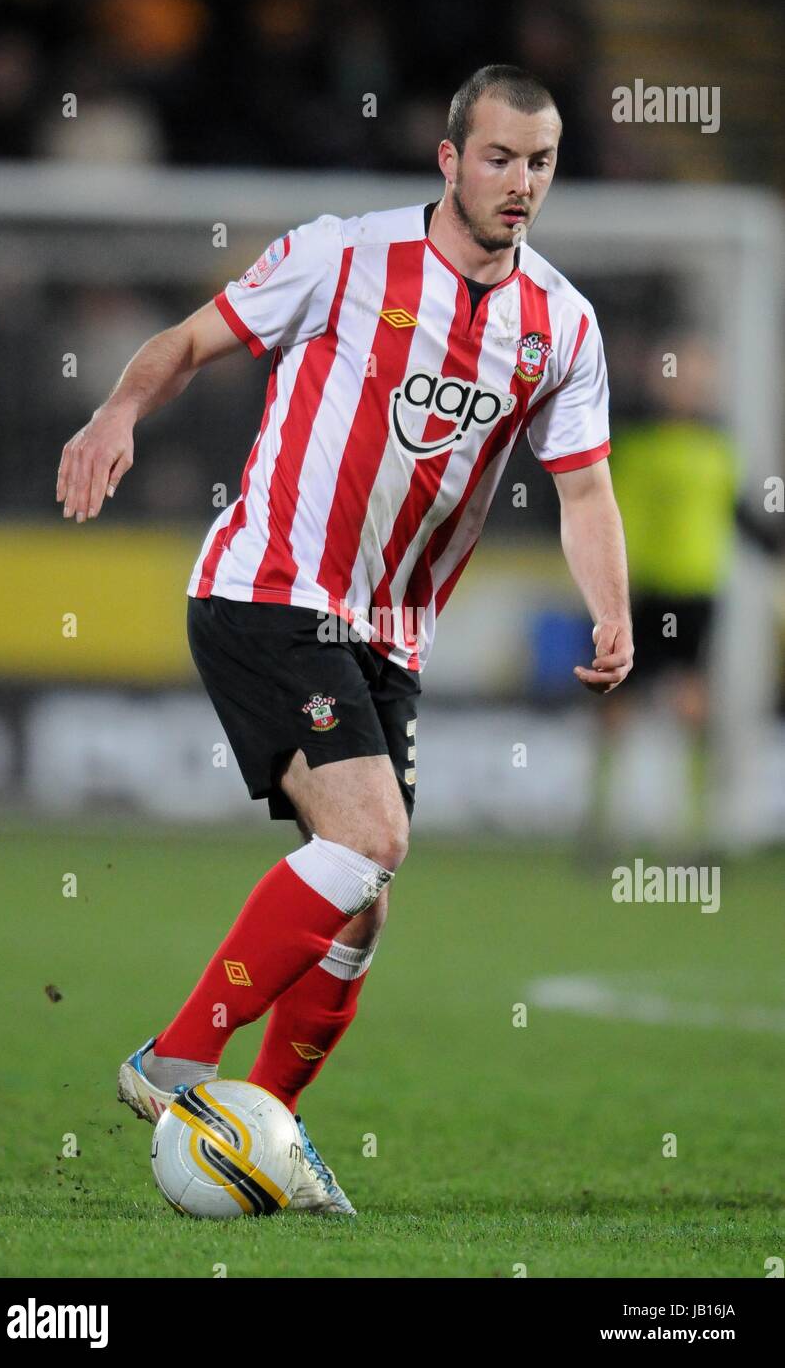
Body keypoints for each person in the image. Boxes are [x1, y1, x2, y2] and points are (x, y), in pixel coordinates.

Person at [56, 64, 633, 1216]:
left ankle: (269, 1132)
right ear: (449, 159)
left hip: (389, 632)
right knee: (374, 835)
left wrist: (613, 606)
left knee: (362, 903)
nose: (521, 184)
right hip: (269, 587)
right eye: (500, 158)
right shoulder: (343, 253)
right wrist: (117, 410)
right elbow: (187, 340)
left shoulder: (562, 323)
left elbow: (584, 492)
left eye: (541, 163)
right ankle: (172, 1059)